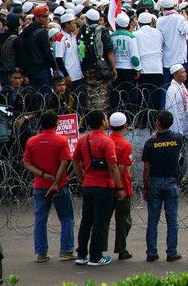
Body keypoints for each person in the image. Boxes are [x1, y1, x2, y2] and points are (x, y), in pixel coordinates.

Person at [72, 110, 125, 267]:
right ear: (103, 123)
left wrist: (83, 177)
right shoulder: (107, 141)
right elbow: (113, 167)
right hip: (103, 186)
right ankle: (96, 257)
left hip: (88, 185)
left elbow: (75, 161)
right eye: (105, 119)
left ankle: (81, 255)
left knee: (86, 221)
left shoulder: (83, 139)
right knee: (100, 222)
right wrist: (119, 187)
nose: (107, 120)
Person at [22, 109, 74, 262]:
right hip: (60, 185)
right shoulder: (61, 141)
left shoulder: (32, 141)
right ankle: (66, 250)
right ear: (57, 123)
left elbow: (26, 163)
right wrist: (56, 183)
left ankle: (41, 253)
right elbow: (64, 163)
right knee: (66, 218)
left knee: (40, 219)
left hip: (39, 185)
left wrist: (42, 175)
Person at [141, 110, 184, 262]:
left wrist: (145, 187)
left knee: (153, 219)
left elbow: (146, 168)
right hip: (172, 182)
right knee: (172, 219)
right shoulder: (177, 139)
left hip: (155, 182)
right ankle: (172, 252)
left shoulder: (150, 143)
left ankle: (151, 252)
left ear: (158, 122)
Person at [108, 111, 134, 260]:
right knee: (124, 219)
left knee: (104, 218)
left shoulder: (106, 140)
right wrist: (119, 186)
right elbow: (122, 168)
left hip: (105, 184)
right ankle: (121, 249)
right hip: (122, 185)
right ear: (125, 126)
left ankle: (99, 248)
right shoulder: (124, 144)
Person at [163, 63, 188, 139]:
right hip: (177, 125)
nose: (185, 74)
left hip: (184, 122)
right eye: (182, 72)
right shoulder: (172, 90)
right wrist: (177, 130)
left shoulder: (182, 87)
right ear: (175, 75)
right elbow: (172, 110)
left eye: (185, 72)